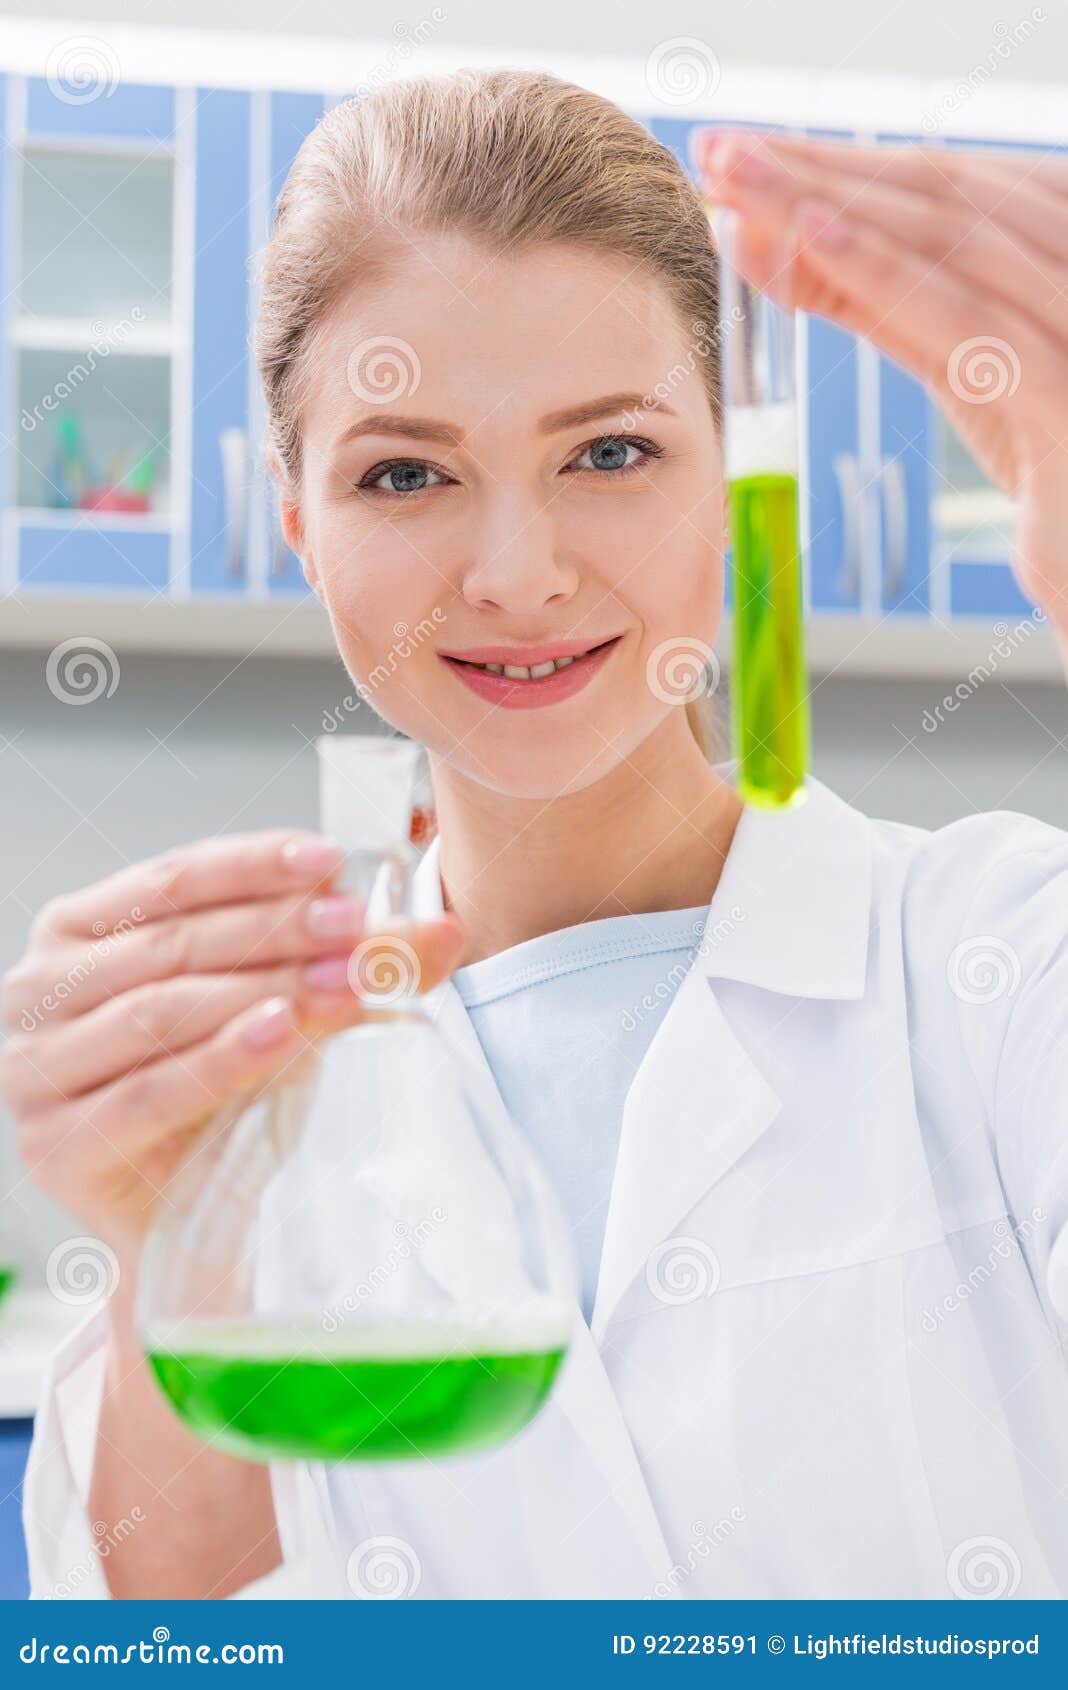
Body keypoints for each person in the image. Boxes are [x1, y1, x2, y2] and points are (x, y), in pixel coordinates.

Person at [4, 68, 1068, 1602]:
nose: (517, 572)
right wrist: (167, 1245)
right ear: (297, 522)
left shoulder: (1003, 960)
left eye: (613, 451)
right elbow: (189, 1642)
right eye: (406, 472)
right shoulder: (231, 1098)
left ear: (738, 477)